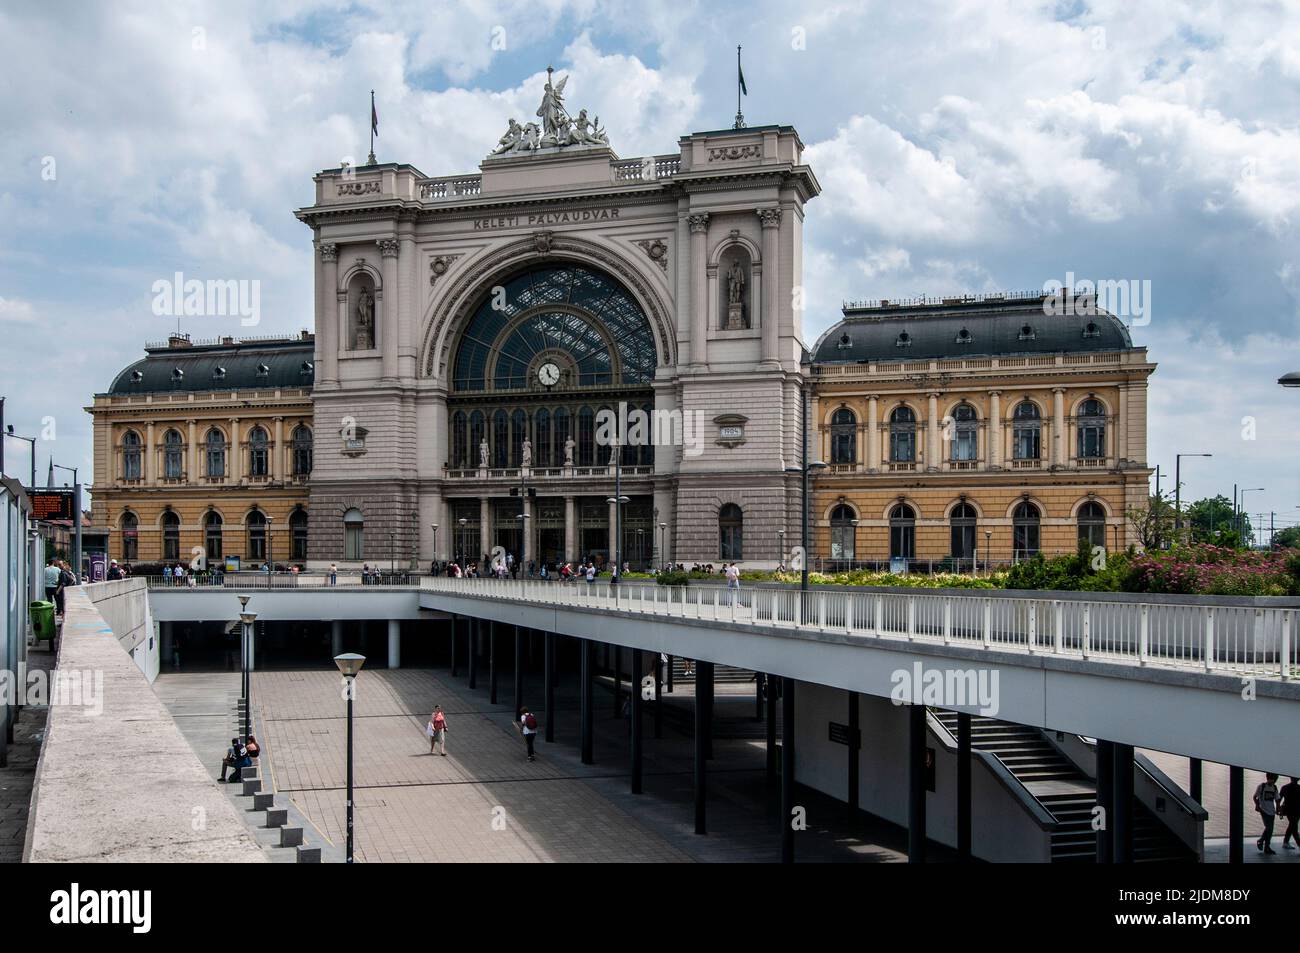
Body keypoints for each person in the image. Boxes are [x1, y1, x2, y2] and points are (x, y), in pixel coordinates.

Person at [1255, 773, 1280, 854]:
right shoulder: (1262, 786)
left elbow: (1277, 799)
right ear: (1268, 778)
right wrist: (1257, 805)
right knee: (1269, 828)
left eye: (1274, 780)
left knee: (1270, 830)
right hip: (1264, 810)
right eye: (1272, 779)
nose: (1273, 781)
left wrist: (1278, 808)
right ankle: (1261, 841)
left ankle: (1266, 847)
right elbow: (1255, 796)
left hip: (1272, 811)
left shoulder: (1274, 788)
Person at [1279, 776, 1300, 849]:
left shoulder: (1284, 787)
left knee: (1292, 826)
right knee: (1294, 827)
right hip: (1297, 811)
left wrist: (1278, 809)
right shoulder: (1299, 788)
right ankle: (1297, 843)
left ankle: (1286, 842)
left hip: (1288, 810)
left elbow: (1279, 799)